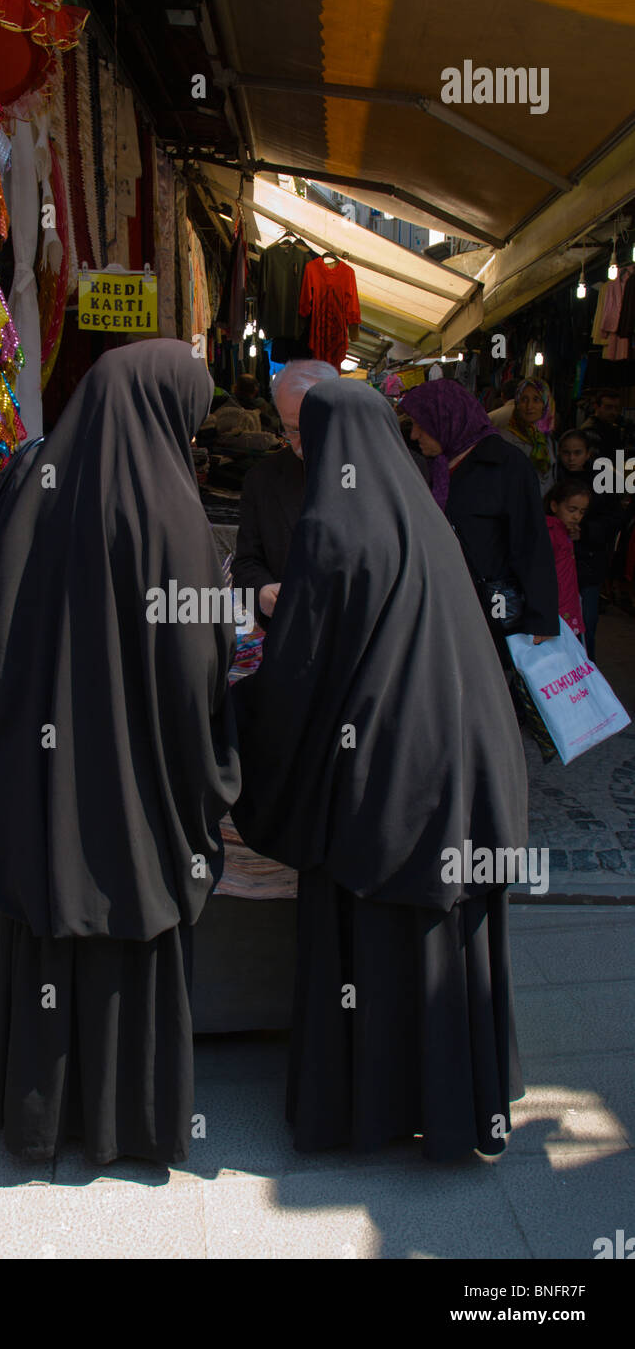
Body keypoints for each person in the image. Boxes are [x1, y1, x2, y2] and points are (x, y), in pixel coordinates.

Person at [0, 339, 241, 1165]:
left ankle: (36, 1113)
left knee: (46, 917)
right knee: (127, 916)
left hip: (43, 785)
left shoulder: (31, 486)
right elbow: (194, 669)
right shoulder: (171, 512)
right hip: (135, 792)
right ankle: (129, 1119)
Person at [232, 378, 526, 1161]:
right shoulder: (424, 517)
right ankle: (457, 1107)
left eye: (307, 436)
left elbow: (297, 676)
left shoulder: (335, 526)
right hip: (460, 768)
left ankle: (368, 1110)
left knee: (368, 946)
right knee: (442, 940)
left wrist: (236, 723)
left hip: (383, 785)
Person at [400, 379, 558, 650]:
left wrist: (542, 617)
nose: (414, 435)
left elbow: (531, 540)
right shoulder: (429, 466)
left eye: (421, 425)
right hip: (440, 605)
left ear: (447, 420)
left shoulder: (507, 464)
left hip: (489, 609)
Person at [232, 359, 339, 625]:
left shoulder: (378, 472)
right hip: (291, 633)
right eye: (292, 430)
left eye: (313, 427)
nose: (303, 443)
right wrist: (262, 592)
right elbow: (246, 563)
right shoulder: (262, 478)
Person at [557, 428, 623, 658]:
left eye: (577, 453)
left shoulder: (602, 479)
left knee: (586, 624)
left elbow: (615, 519)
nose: (571, 458)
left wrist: (584, 531)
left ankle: (587, 671)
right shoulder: (554, 475)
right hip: (558, 564)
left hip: (589, 564)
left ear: (588, 454)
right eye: (566, 453)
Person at [492, 378, 558, 497]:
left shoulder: (548, 440)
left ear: (546, 404)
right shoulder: (502, 439)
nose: (529, 406)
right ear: (517, 404)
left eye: (536, 400)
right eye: (524, 399)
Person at [544, 478, 591, 637]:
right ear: (554, 506)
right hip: (556, 604)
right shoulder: (549, 531)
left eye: (582, 511)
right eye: (572, 510)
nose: (577, 516)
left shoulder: (565, 531)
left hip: (567, 601)